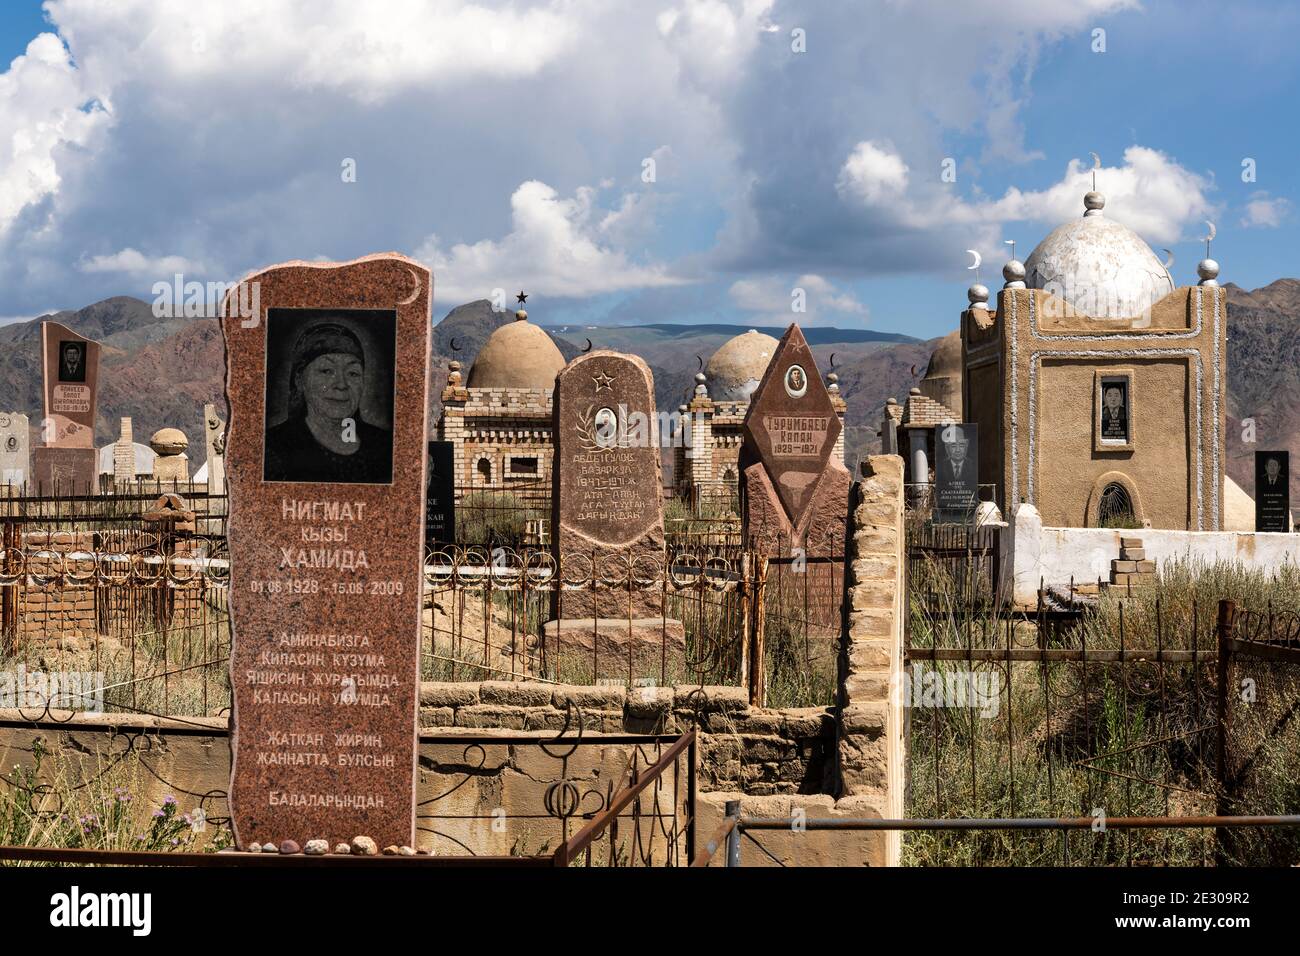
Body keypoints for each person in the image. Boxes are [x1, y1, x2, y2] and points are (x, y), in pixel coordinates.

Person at [264, 321, 392, 483]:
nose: (341, 384)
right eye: (326, 371)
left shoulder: (385, 446)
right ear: (299, 379)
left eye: (353, 373)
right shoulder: (272, 448)